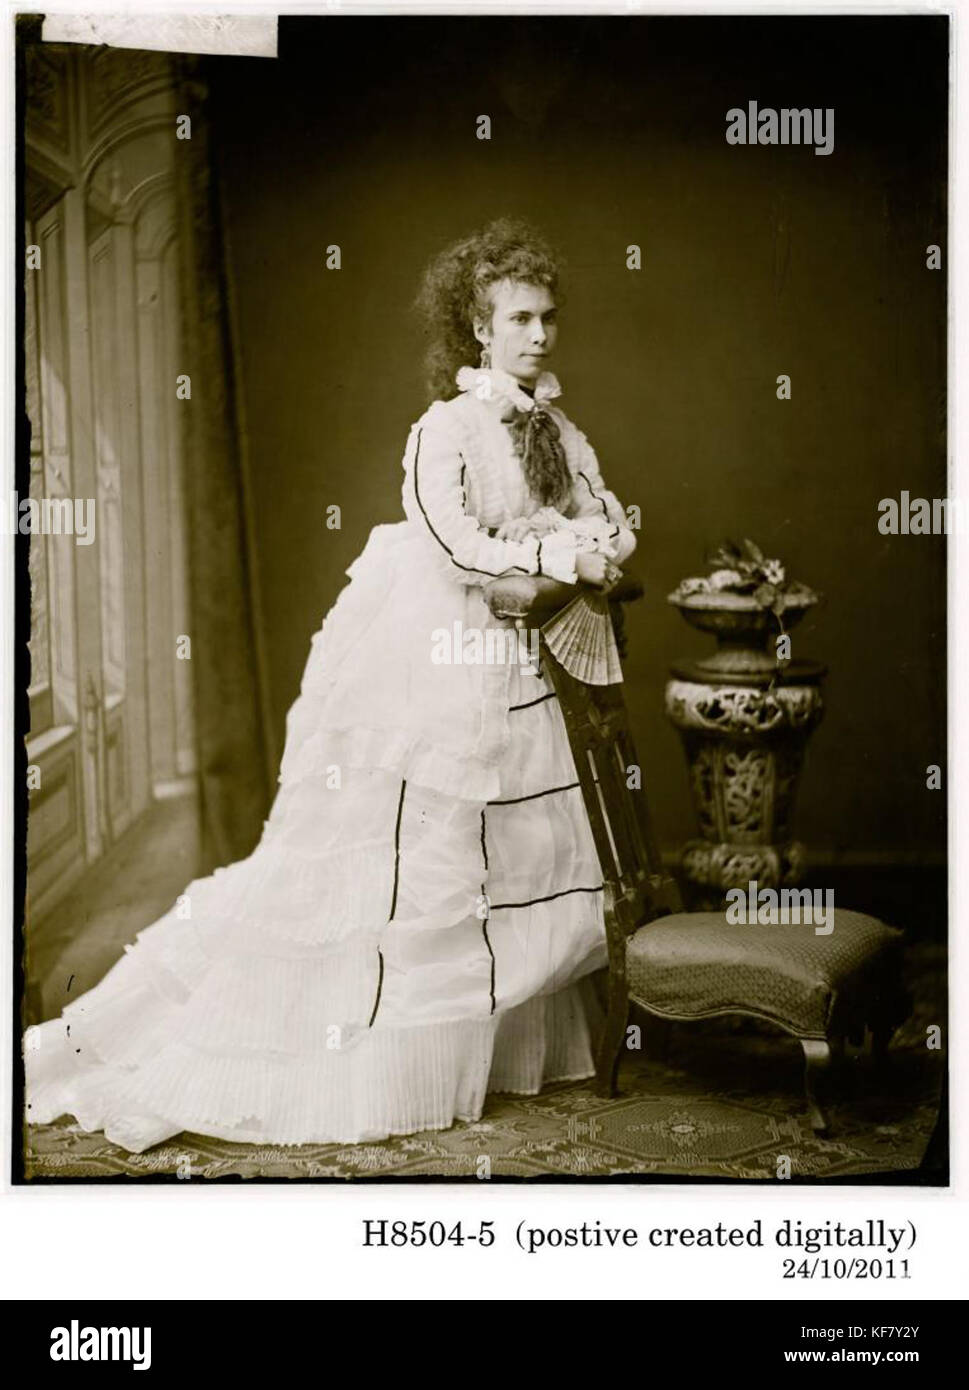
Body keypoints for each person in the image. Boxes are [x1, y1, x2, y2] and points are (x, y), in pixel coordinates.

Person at [24, 219, 637, 1152]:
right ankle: (375, 1052)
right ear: (478, 328)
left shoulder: (557, 426)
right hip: (439, 646)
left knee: (512, 845)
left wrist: (593, 545)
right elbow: (452, 542)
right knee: (420, 852)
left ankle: (497, 1039)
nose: (538, 335)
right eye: (518, 317)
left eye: (547, 317)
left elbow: (606, 513)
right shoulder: (446, 427)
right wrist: (559, 554)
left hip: (524, 646)